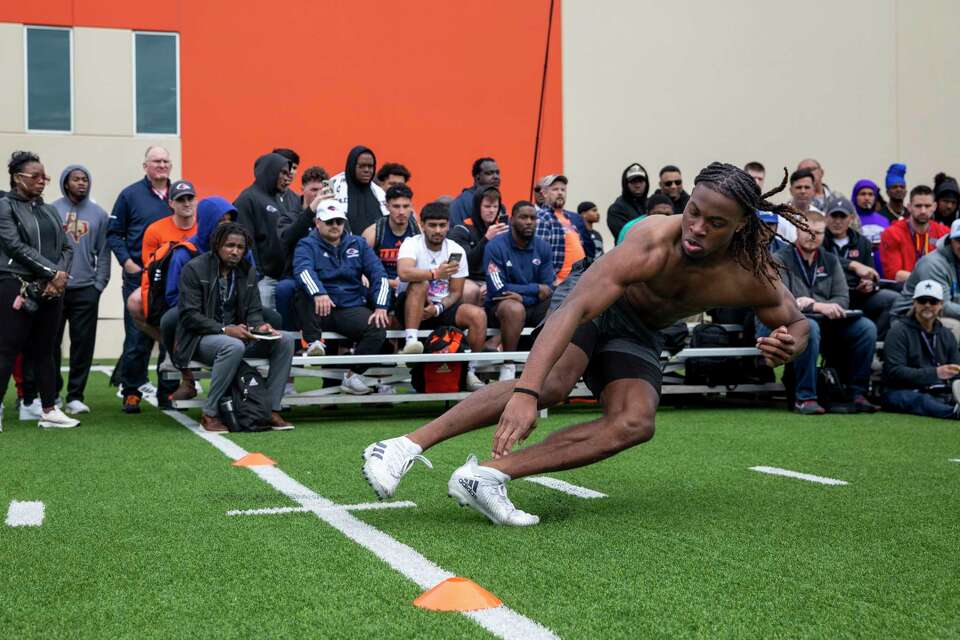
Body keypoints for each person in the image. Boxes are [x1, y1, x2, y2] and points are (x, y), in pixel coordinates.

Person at [361, 162, 810, 525]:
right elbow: (575, 309)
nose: (696, 228)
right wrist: (526, 393)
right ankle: (402, 445)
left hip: (641, 332)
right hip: (594, 304)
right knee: (553, 384)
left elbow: (797, 322)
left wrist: (791, 344)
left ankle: (487, 477)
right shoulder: (653, 241)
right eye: (693, 212)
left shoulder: (751, 274)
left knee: (635, 422)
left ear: (741, 225)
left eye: (715, 223)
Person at [173, 222, 295, 433]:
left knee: (284, 340)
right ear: (217, 246)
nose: (235, 251)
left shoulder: (247, 271)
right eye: (230, 245)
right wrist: (225, 330)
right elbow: (189, 316)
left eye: (240, 247)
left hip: (238, 336)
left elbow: (254, 312)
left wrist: (260, 327)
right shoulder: (195, 269)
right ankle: (210, 414)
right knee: (233, 346)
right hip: (199, 339)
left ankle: (271, 410)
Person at [770, 212, 878, 414]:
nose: (812, 236)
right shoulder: (779, 259)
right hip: (789, 324)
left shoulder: (830, 260)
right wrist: (816, 306)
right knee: (808, 327)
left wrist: (814, 304)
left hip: (828, 323)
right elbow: (783, 301)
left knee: (866, 328)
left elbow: (842, 299)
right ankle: (805, 397)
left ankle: (857, 393)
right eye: (807, 231)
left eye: (818, 233)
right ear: (797, 231)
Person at [0, 151, 77, 431]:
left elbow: (67, 247)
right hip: (15, 284)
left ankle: (49, 410)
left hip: (51, 290)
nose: (42, 181)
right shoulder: (5, 207)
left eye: (44, 176)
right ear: (17, 178)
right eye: (35, 176)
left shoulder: (49, 210)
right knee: (7, 349)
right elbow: (14, 246)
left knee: (45, 350)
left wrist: (58, 277)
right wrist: (52, 273)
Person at [294, 200, 391, 394]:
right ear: (317, 222)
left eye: (339, 221)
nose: (335, 225)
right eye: (329, 221)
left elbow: (379, 274)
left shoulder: (358, 244)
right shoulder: (306, 244)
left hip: (349, 307)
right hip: (318, 308)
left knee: (378, 326)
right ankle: (313, 342)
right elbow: (303, 271)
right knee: (301, 292)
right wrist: (319, 292)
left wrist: (381, 306)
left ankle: (353, 376)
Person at [40, 165, 110, 416]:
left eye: (85, 179)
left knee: (83, 344)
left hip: (86, 289)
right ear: (65, 183)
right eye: (76, 179)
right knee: (51, 343)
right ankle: (53, 393)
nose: (81, 183)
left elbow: (104, 252)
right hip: (55, 288)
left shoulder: (99, 214)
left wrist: (99, 284)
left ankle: (76, 396)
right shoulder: (51, 210)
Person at [108, 145, 173, 410]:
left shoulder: (180, 195)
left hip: (171, 279)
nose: (161, 165)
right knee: (137, 336)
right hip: (140, 277)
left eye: (165, 161)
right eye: (156, 161)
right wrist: (128, 263)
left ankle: (167, 391)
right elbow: (114, 233)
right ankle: (131, 391)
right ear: (145, 166)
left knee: (169, 333)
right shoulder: (130, 195)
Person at [395, 201, 487, 391]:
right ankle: (411, 343)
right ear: (422, 225)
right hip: (409, 306)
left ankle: (469, 370)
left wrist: (437, 308)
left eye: (442, 225)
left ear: (448, 225)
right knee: (420, 283)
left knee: (477, 314)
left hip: (440, 308)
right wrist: (436, 273)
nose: (438, 230)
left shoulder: (455, 250)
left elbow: (456, 292)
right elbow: (404, 272)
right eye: (432, 225)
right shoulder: (411, 243)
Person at [158, 196, 240, 402]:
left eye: (229, 220)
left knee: (272, 317)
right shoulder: (185, 253)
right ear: (208, 222)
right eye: (220, 221)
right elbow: (173, 296)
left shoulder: (240, 249)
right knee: (170, 319)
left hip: (232, 311)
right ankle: (187, 378)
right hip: (197, 314)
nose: (226, 226)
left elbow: (250, 284)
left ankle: (254, 380)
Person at [484, 201, 555, 380]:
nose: (529, 222)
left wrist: (524, 298)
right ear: (512, 220)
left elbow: (547, 287)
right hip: (501, 306)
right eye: (523, 217)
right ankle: (508, 366)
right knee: (513, 308)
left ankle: (549, 367)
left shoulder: (543, 247)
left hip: (533, 305)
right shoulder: (495, 246)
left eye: (533, 218)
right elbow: (498, 289)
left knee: (560, 302)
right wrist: (534, 289)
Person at [882, 280, 960, 419]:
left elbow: (957, 369)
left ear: (941, 304)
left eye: (933, 301)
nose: (927, 305)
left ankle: (952, 408)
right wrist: (936, 373)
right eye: (922, 301)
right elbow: (894, 372)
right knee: (922, 400)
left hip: (938, 391)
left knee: (933, 399)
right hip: (902, 390)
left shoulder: (946, 334)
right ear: (914, 303)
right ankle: (953, 412)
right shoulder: (898, 331)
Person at [822, 195, 897, 339]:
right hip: (828, 296)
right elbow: (822, 256)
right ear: (826, 218)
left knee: (893, 299)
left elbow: (870, 273)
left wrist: (869, 284)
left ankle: (874, 340)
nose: (838, 221)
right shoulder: (819, 239)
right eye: (834, 216)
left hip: (857, 295)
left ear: (851, 218)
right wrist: (853, 265)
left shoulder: (863, 243)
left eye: (842, 216)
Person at [234, 152, 293, 311]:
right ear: (270, 171)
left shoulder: (280, 199)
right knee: (263, 322)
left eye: (289, 173)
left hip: (284, 278)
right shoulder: (247, 199)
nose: (287, 178)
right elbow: (246, 241)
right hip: (263, 281)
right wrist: (257, 276)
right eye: (283, 173)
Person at [892, 219, 960, 340]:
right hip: (911, 315)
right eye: (959, 240)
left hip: (940, 313)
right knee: (956, 328)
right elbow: (942, 306)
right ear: (950, 241)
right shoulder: (934, 264)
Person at [448, 185, 507, 306]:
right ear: (477, 207)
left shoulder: (502, 230)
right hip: (468, 278)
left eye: (495, 206)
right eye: (487, 206)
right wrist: (486, 239)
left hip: (494, 278)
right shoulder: (461, 229)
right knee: (471, 291)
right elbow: (464, 264)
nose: (492, 210)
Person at [362, 184, 420, 300]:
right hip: (380, 286)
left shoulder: (419, 231)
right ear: (387, 206)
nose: (401, 211)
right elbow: (359, 267)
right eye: (396, 206)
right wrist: (389, 282)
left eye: (406, 206)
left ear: (411, 206)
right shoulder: (373, 232)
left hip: (410, 286)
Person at [879, 185, 947, 282]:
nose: (923, 211)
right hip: (904, 288)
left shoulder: (944, 233)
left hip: (938, 288)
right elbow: (893, 274)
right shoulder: (892, 233)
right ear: (909, 207)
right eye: (918, 206)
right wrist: (929, 279)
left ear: (934, 207)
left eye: (927, 206)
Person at [536, 174, 595, 285]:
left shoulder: (569, 217)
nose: (560, 193)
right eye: (555, 189)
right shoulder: (543, 217)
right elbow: (539, 254)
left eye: (563, 190)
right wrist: (552, 280)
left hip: (578, 281)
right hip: (560, 284)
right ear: (544, 193)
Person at [328, 145, 389, 234]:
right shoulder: (332, 185)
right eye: (362, 166)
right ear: (352, 165)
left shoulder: (380, 193)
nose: (366, 170)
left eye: (370, 166)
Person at [448, 158, 502, 227]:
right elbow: (457, 231)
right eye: (489, 173)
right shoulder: (461, 203)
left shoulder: (497, 201)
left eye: (497, 173)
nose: (496, 177)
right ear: (477, 177)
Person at [852, 178, 890, 271]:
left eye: (870, 194)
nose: (867, 198)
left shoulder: (884, 220)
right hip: (859, 268)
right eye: (863, 194)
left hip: (882, 268)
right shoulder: (849, 220)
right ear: (855, 196)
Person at [606, 162, 648, 239]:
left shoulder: (651, 205)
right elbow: (625, 236)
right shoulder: (616, 209)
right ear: (626, 184)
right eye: (633, 182)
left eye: (641, 181)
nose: (638, 185)